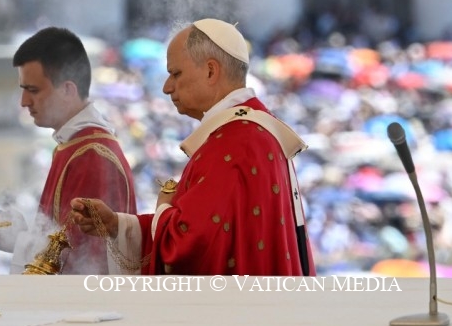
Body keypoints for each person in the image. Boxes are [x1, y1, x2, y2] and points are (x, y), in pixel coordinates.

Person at [71, 18, 315, 276]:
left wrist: (164, 206)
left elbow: (187, 245)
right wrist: (116, 225)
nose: (166, 88)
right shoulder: (250, 131)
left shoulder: (233, 143)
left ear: (211, 71)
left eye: (175, 73)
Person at [0, 26, 137, 274]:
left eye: (33, 90)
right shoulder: (74, 145)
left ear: (67, 90)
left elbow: (84, 261)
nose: (24, 102)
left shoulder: (92, 155)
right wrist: (26, 234)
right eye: (23, 90)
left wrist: (20, 241)